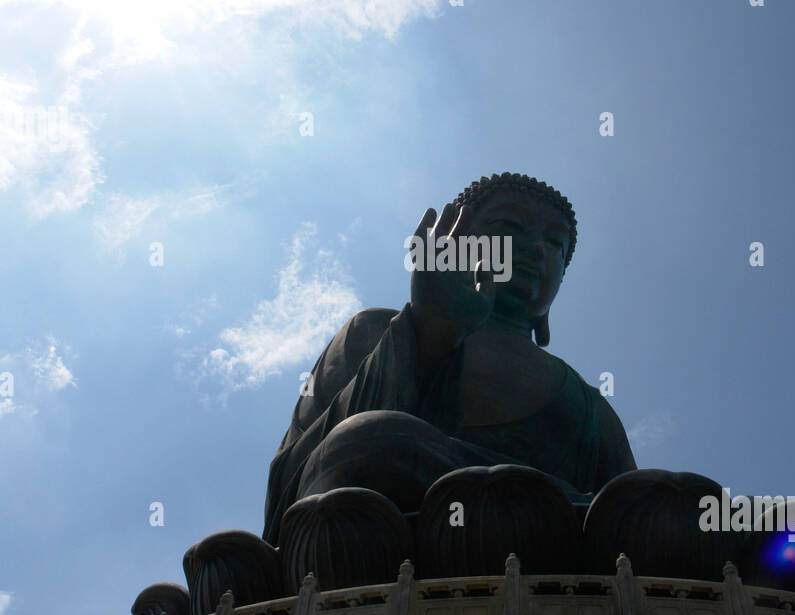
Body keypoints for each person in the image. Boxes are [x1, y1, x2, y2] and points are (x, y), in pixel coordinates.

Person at [262, 173, 636, 545]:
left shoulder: (589, 406)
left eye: (555, 242)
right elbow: (294, 478)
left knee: (667, 503)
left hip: (553, 533)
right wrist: (430, 331)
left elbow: (625, 507)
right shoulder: (372, 329)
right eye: (509, 225)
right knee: (363, 443)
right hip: (384, 536)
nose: (537, 248)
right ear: (457, 243)